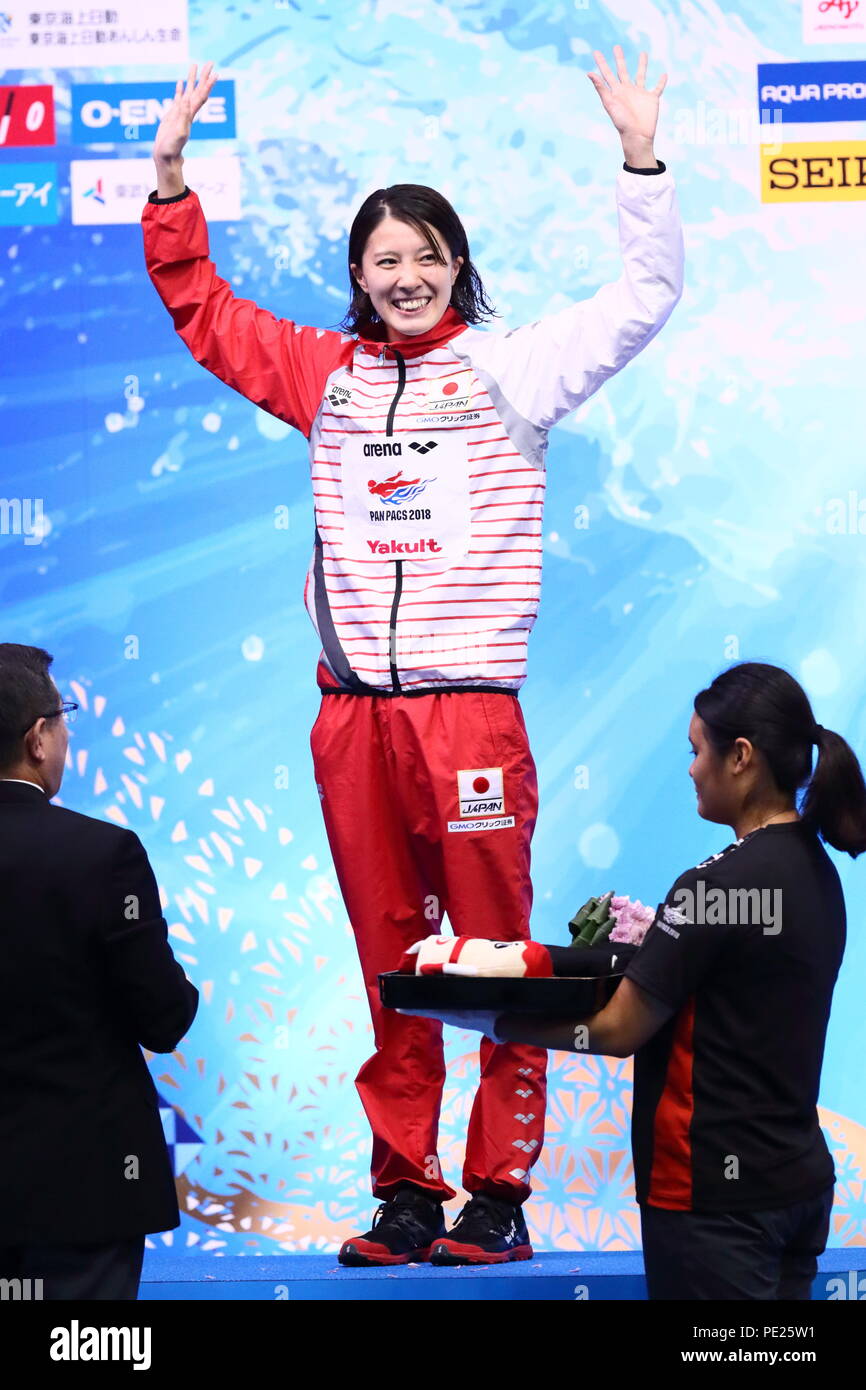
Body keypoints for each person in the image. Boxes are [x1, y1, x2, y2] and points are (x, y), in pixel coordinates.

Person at [141, 45, 683, 1265]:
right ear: (356, 275)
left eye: (423, 257)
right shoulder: (322, 377)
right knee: (389, 960)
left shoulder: (511, 368)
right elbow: (205, 316)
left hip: (469, 721)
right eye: (381, 261)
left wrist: (640, 161)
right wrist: (170, 183)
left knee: (493, 959)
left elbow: (641, 298)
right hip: (354, 722)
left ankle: (496, 1193)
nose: (402, 277)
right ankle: (403, 1189)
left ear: (456, 267)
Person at [405, 661, 866, 1294]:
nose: (689, 768)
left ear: (741, 757)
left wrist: (488, 1017)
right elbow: (699, 975)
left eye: (696, 750)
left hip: (711, 1206)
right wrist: (516, 958)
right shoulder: (820, 875)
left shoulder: (712, 888)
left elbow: (619, 1030)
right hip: (798, 1190)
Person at [0, 644, 199, 1299]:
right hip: (81, 1190)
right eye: (62, 720)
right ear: (37, 738)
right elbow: (163, 1017)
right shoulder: (101, 855)